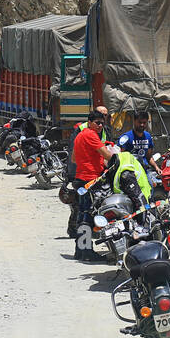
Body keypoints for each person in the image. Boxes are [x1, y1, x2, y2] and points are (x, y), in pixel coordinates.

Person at [69, 108, 113, 257]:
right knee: (88, 215)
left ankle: (80, 250)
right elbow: (108, 155)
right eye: (97, 123)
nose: (100, 126)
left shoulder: (80, 135)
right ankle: (86, 251)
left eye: (102, 123)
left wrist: (89, 158)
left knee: (83, 214)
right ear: (89, 122)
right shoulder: (91, 135)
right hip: (91, 179)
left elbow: (74, 159)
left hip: (81, 178)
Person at [117, 111, 159, 189]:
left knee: (150, 190)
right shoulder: (126, 137)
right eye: (139, 122)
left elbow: (148, 157)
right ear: (134, 121)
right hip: (130, 174)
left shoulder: (148, 137)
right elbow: (119, 157)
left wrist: (156, 167)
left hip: (144, 172)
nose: (142, 125)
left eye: (144, 122)